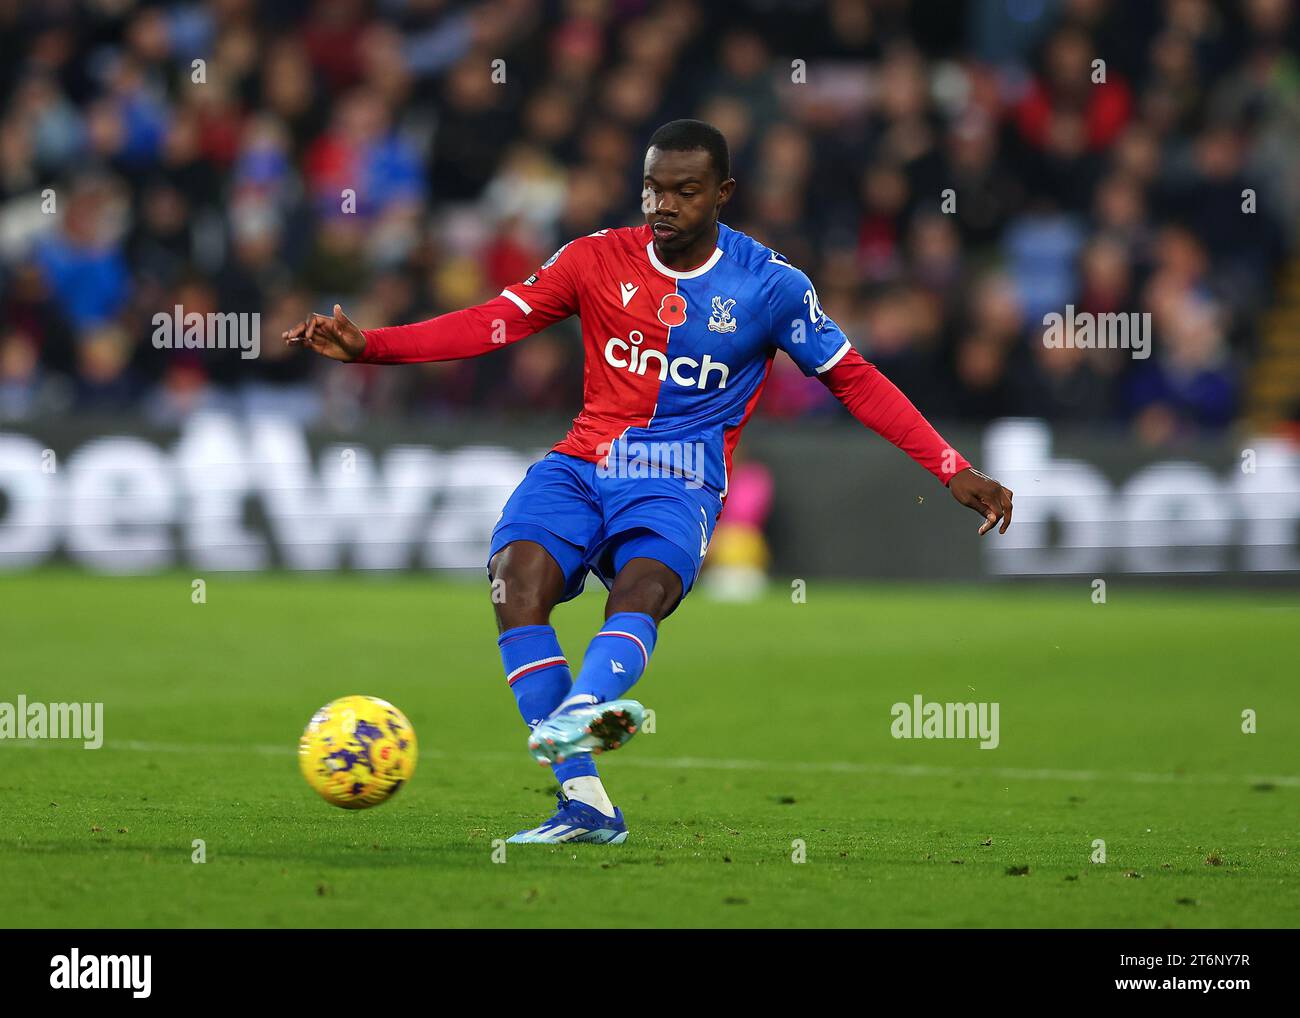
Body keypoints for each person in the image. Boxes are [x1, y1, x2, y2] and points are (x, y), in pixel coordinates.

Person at [285, 119, 1014, 844]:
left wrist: (950, 467)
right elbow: (494, 323)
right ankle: (586, 803)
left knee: (643, 589)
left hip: (679, 476)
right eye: (652, 188)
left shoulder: (770, 286)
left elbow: (853, 380)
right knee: (514, 578)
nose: (663, 205)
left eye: (685, 191)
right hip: (581, 463)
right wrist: (370, 348)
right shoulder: (594, 258)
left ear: (723, 193)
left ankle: (582, 712)